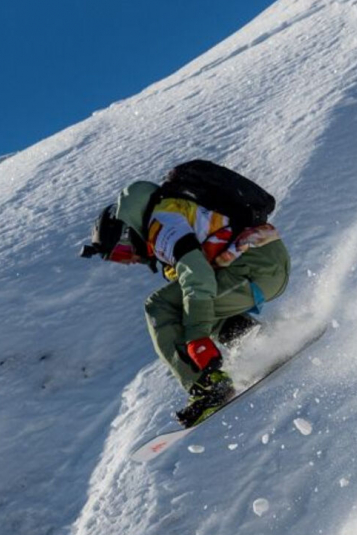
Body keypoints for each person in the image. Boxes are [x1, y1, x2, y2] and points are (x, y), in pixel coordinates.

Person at [82, 174, 290, 426]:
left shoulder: (162, 225)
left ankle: (206, 386)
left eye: (122, 252)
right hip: (265, 263)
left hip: (255, 267)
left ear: (128, 231)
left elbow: (199, 279)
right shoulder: (168, 215)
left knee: (162, 306)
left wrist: (197, 338)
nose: (130, 260)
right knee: (190, 305)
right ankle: (260, 340)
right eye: (119, 260)